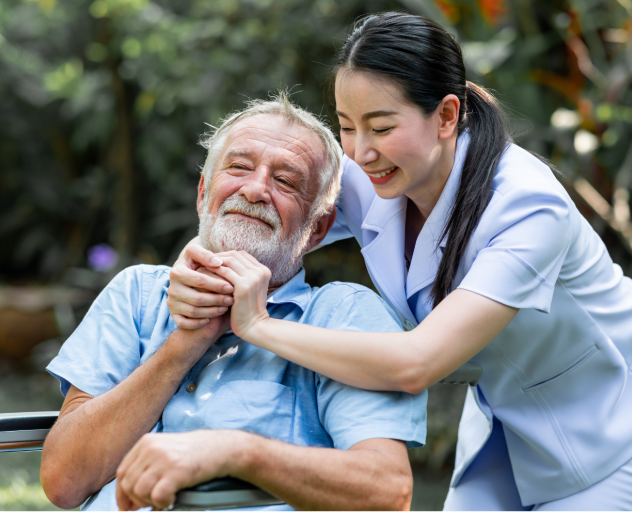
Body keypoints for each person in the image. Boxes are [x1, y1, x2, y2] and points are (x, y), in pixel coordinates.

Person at [167, 12, 632, 511]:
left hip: (627, 418)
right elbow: (262, 223)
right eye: (347, 125)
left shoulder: (528, 207)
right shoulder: (370, 174)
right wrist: (200, 266)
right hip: (506, 420)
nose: (358, 152)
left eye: (380, 126)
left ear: (446, 115)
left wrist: (257, 323)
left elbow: (414, 364)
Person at [39, 93, 427, 511]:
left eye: (286, 181)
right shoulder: (136, 295)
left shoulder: (342, 315)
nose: (257, 189)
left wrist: (237, 451)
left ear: (317, 228)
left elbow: (387, 493)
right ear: (204, 193)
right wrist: (185, 343)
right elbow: (65, 481)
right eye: (240, 167)